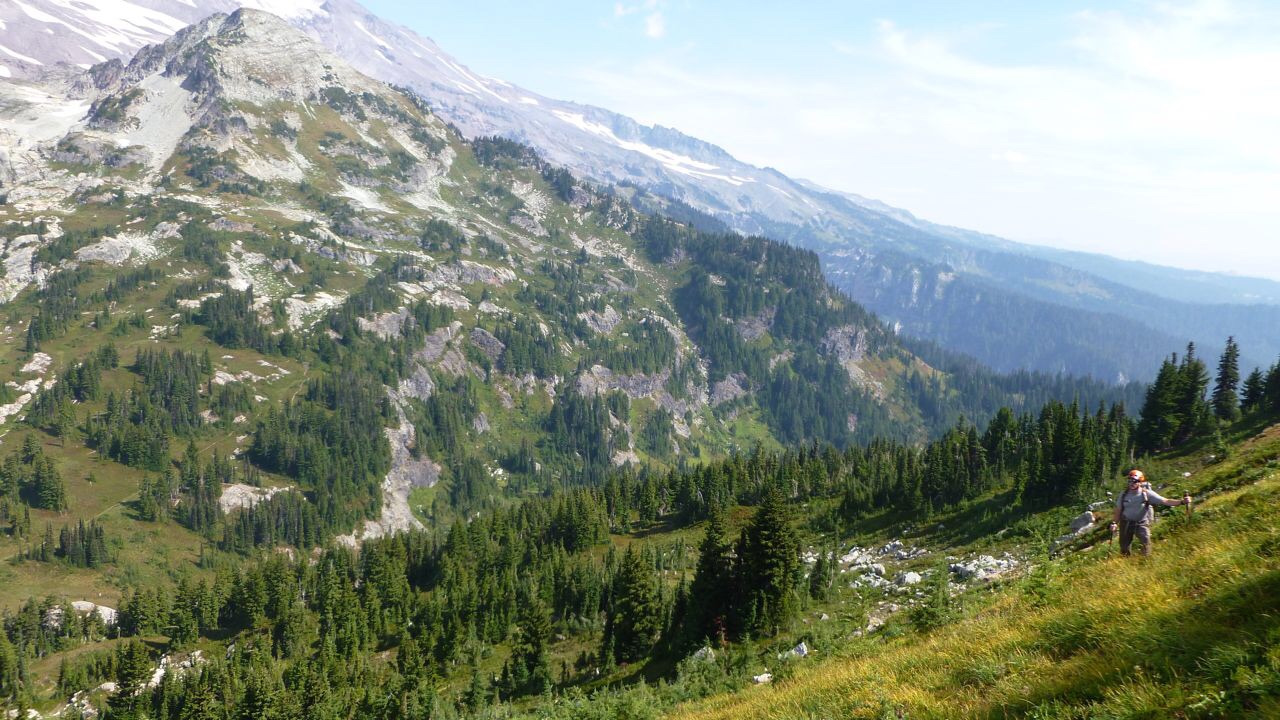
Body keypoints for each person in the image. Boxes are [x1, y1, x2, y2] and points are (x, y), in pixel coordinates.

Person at [1110, 469, 1189, 556]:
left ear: (1140, 482)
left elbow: (1165, 501)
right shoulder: (1123, 494)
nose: (1131, 483)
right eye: (1130, 481)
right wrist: (1114, 523)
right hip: (1126, 523)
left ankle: (1145, 560)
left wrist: (1182, 502)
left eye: (1135, 481)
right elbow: (1118, 510)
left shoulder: (1147, 494)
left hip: (1141, 523)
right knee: (1124, 546)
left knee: (1146, 541)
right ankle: (1125, 562)